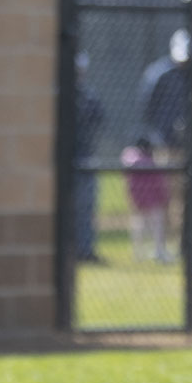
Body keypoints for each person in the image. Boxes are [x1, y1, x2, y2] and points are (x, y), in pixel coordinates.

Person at [74, 50, 107, 264]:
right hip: (62, 161)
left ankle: (85, 251)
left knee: (86, 206)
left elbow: (100, 119)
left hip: (84, 158)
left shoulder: (87, 95)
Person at [120, 137, 172, 264]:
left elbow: (128, 184)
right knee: (157, 226)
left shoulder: (130, 161)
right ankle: (159, 251)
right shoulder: (152, 163)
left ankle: (138, 253)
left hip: (137, 199)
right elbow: (160, 183)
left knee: (139, 225)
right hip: (153, 200)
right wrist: (164, 198)